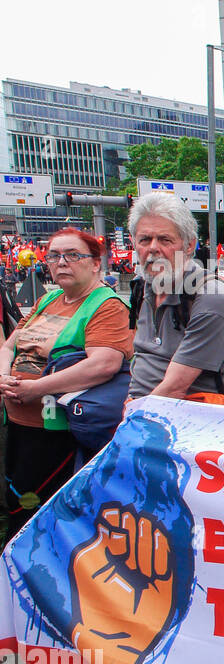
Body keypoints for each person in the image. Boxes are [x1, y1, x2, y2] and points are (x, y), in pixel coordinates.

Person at [2, 228, 132, 545]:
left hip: (58, 429)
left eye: (73, 255)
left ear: (96, 263)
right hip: (20, 424)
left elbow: (104, 363)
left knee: (41, 507)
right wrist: (4, 375)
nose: (62, 262)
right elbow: (9, 346)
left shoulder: (107, 305)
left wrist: (37, 388)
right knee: (18, 497)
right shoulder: (49, 299)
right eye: (54, 255)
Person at [127, 193, 224, 404]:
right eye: (145, 239)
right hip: (144, 405)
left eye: (165, 239)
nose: (153, 248)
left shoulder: (209, 297)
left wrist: (130, 419)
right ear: (134, 243)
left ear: (189, 245)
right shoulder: (141, 288)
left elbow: (174, 389)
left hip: (193, 416)